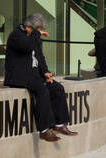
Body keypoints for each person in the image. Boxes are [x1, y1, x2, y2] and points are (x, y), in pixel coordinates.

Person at [4, 13, 76, 142]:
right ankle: (44, 129)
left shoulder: (33, 37)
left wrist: (46, 72)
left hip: (34, 75)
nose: (40, 33)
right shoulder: (16, 35)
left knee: (57, 88)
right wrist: (37, 35)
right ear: (28, 27)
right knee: (42, 90)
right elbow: (27, 47)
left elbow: (39, 56)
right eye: (38, 30)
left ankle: (59, 124)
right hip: (19, 76)